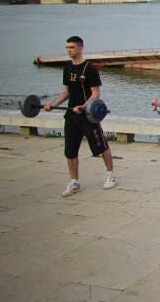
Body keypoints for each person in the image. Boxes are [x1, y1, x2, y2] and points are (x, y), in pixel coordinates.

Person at [44, 36, 117, 196]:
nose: (69, 50)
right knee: (70, 151)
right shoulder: (67, 68)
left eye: (71, 47)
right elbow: (66, 92)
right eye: (67, 48)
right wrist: (53, 104)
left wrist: (83, 107)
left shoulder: (89, 68)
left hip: (88, 115)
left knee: (101, 146)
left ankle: (110, 174)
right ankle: (74, 182)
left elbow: (96, 93)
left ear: (80, 48)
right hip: (71, 115)